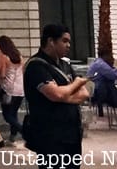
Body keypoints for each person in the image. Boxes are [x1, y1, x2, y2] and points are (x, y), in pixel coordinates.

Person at [23, 24, 88, 162]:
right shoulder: (36, 65)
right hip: (49, 135)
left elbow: (84, 94)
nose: (68, 45)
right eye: (64, 41)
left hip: (72, 134)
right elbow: (56, 94)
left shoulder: (65, 65)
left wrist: (65, 96)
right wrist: (75, 84)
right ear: (51, 41)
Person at [0, 35, 25, 143]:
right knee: (14, 113)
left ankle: (24, 132)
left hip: (8, 90)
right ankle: (13, 136)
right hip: (20, 90)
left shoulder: (4, 57)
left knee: (7, 115)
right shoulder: (19, 57)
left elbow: (3, 75)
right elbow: (22, 72)